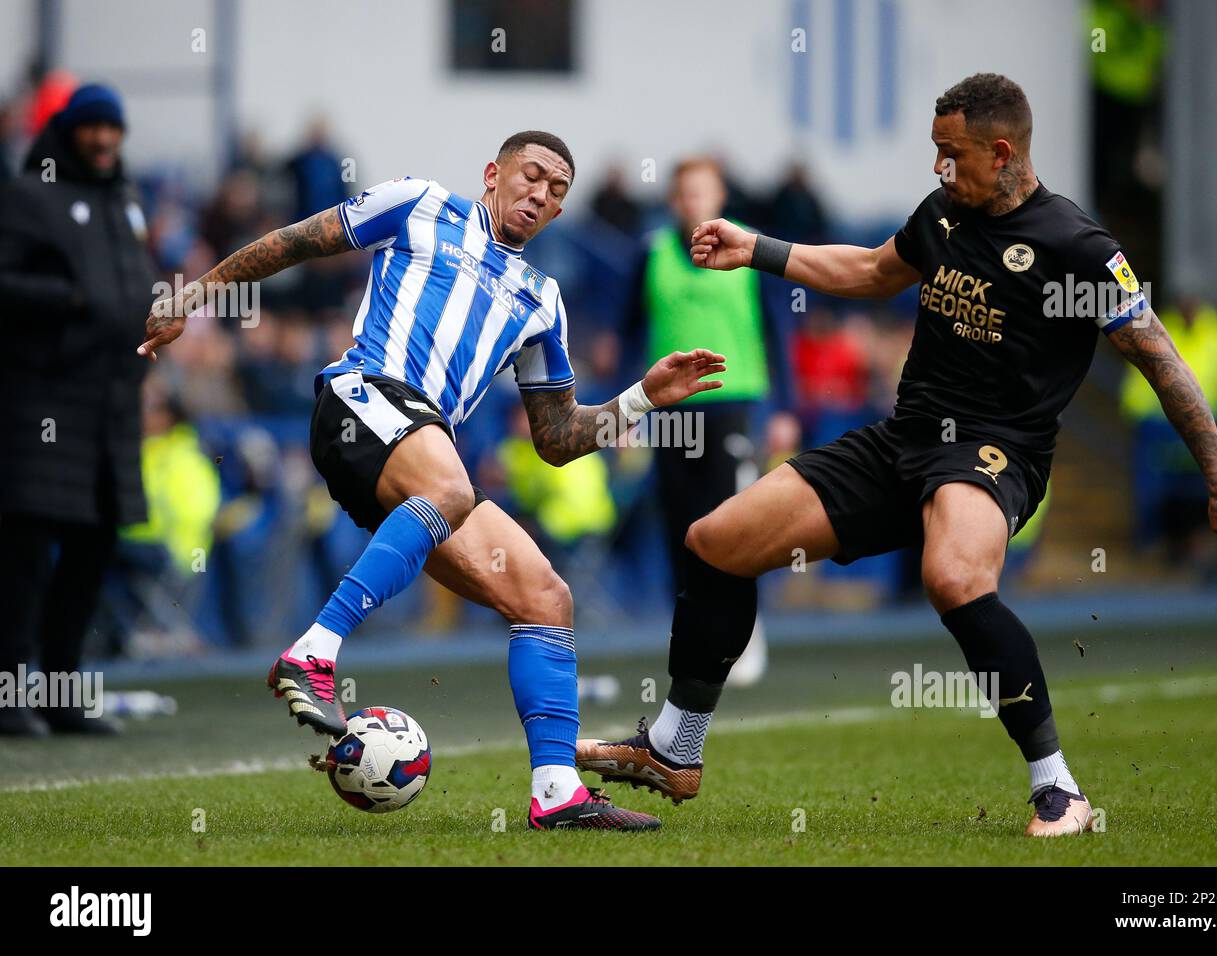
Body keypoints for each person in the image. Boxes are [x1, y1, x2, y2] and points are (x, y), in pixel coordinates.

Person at [577, 74, 1217, 837]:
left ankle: (1060, 788)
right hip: (904, 436)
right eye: (935, 152)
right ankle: (677, 747)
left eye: (953, 154)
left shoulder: (1078, 248)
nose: (940, 169)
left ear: (1002, 152)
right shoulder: (944, 212)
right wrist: (759, 251)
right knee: (716, 542)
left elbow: (1163, 362)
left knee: (952, 577)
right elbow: (874, 272)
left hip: (996, 451)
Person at [139, 131, 726, 831]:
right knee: (450, 488)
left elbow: (558, 439)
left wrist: (640, 399)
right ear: (493, 175)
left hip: (420, 452)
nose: (541, 194)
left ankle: (556, 793)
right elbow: (298, 241)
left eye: (558, 190)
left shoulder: (542, 299)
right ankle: (314, 653)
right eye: (531, 176)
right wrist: (195, 294)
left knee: (545, 596)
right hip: (361, 397)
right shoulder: (419, 203)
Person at [0, 83, 157, 736]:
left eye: (112, 130)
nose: (103, 141)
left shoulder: (124, 202)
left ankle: (62, 696)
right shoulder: (29, 194)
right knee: (25, 560)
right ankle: (7, 696)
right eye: (91, 129)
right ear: (68, 133)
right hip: (44, 405)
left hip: (112, 410)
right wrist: (66, 302)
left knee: (93, 555)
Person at [622, 157, 790, 684]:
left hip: (732, 401)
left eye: (703, 191)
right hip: (668, 407)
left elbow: (777, 330)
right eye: (684, 193)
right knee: (681, 528)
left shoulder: (750, 248)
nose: (693, 201)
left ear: (719, 198)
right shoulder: (651, 253)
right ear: (674, 200)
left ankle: (744, 638)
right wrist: (623, 410)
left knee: (733, 523)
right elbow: (628, 335)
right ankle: (692, 642)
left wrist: (786, 408)